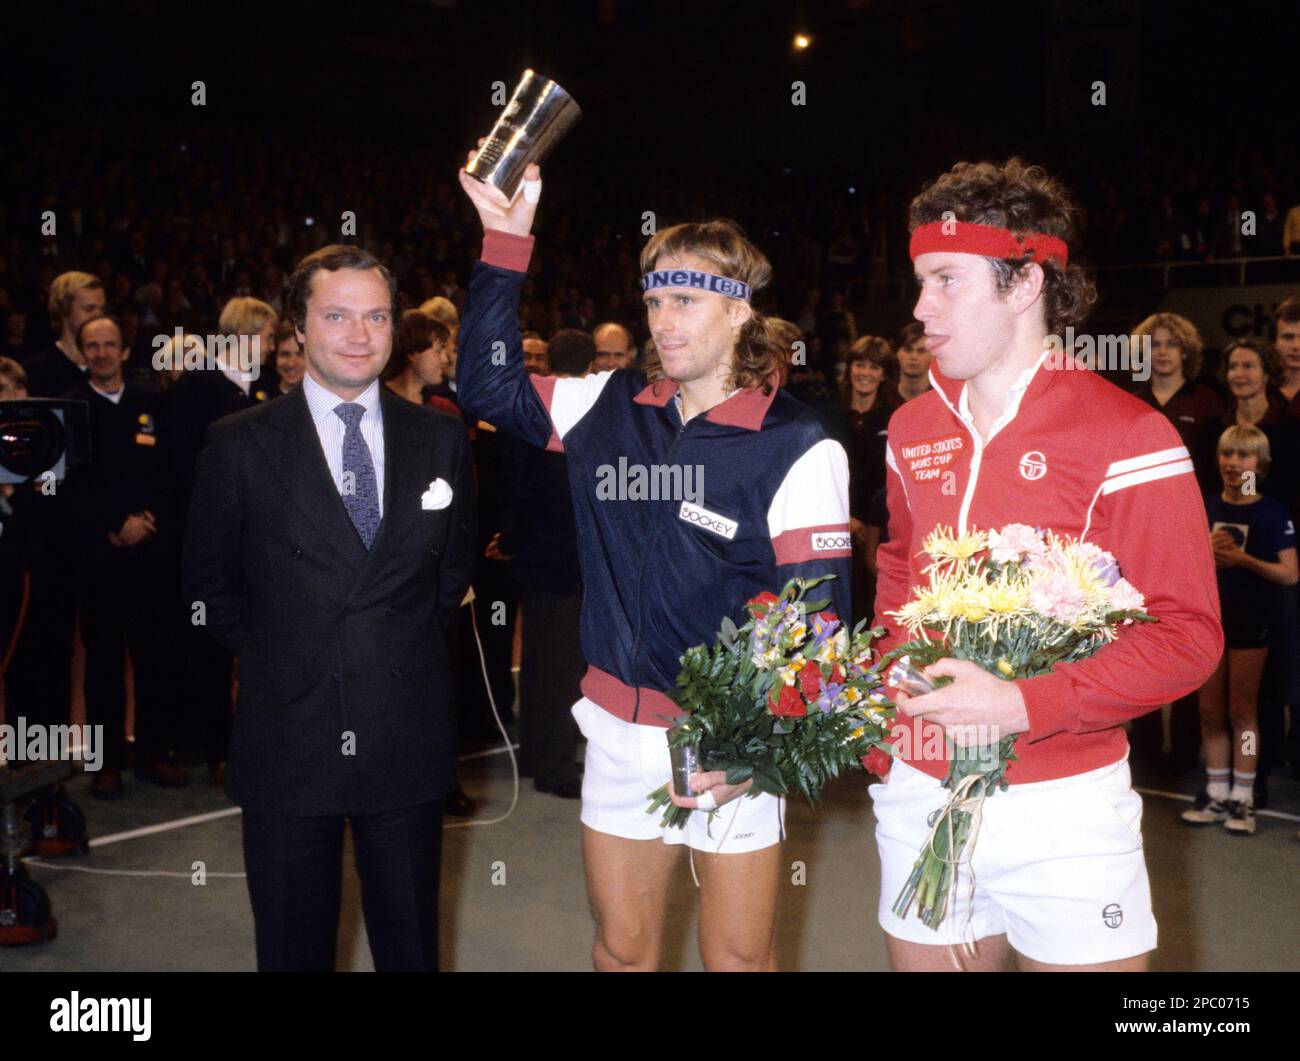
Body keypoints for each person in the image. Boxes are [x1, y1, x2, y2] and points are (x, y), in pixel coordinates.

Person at [457, 155, 852, 972]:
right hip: (614, 729)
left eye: (686, 299)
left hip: (732, 740)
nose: (663, 320)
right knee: (622, 951)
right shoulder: (608, 406)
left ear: (742, 313)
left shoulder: (796, 445)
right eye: (653, 300)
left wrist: (758, 749)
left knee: (740, 961)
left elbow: (821, 629)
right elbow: (486, 387)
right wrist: (504, 241)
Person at [872, 158, 1221, 972]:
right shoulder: (909, 427)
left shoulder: (1131, 435)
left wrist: (1029, 702)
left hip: (1063, 806)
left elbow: (1190, 634)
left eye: (946, 280)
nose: (921, 308)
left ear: (1024, 283)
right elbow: (898, 564)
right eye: (921, 280)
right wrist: (885, 718)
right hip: (920, 790)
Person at [183, 244, 476, 971]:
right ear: (297, 329)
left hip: (403, 732)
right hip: (289, 734)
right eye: (337, 315)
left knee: (411, 948)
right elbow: (209, 589)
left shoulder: (440, 437)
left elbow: (452, 573)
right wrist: (290, 655)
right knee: (293, 950)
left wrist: (384, 646)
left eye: (376, 315)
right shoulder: (239, 444)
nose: (358, 333)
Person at [63, 316, 187, 798]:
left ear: (124, 348)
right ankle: (107, 763)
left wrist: (148, 521)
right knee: (103, 666)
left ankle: (155, 753)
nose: (101, 353)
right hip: (100, 559)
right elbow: (72, 483)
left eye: (109, 344)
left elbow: (172, 474)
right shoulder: (72, 407)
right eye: (91, 345)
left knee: (157, 658)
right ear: (82, 351)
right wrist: (113, 527)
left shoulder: (153, 403)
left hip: (153, 556)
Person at [1182, 426, 1297, 835]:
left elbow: (1289, 573)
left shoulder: (1272, 513)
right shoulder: (1206, 506)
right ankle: (1216, 792)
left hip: (1253, 624)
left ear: (1260, 465)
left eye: (1244, 457)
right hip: (1210, 624)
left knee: (1241, 712)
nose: (1234, 464)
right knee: (1210, 712)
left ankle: (1243, 798)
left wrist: (1243, 560)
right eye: (1228, 455)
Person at [497, 328, 593, 798]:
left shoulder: (531, 404)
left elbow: (515, 482)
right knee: (561, 663)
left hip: (534, 554)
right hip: (570, 559)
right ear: (591, 361)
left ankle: (535, 752)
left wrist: (510, 539)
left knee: (537, 658)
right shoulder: (593, 409)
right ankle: (554, 763)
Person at [1130, 312, 1223, 462]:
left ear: (1185, 351)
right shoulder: (1134, 403)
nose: (1163, 352)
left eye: (1172, 344)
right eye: (1155, 344)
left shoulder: (1207, 401)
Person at [22, 271, 103, 397]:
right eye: (89, 309)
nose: (99, 316)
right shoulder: (35, 370)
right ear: (64, 309)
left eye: (102, 309)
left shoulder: (107, 365)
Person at [894, 321, 931, 402]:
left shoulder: (943, 400)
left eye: (921, 351)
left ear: (933, 356)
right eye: (908, 350)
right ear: (897, 353)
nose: (913, 357)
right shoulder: (883, 398)